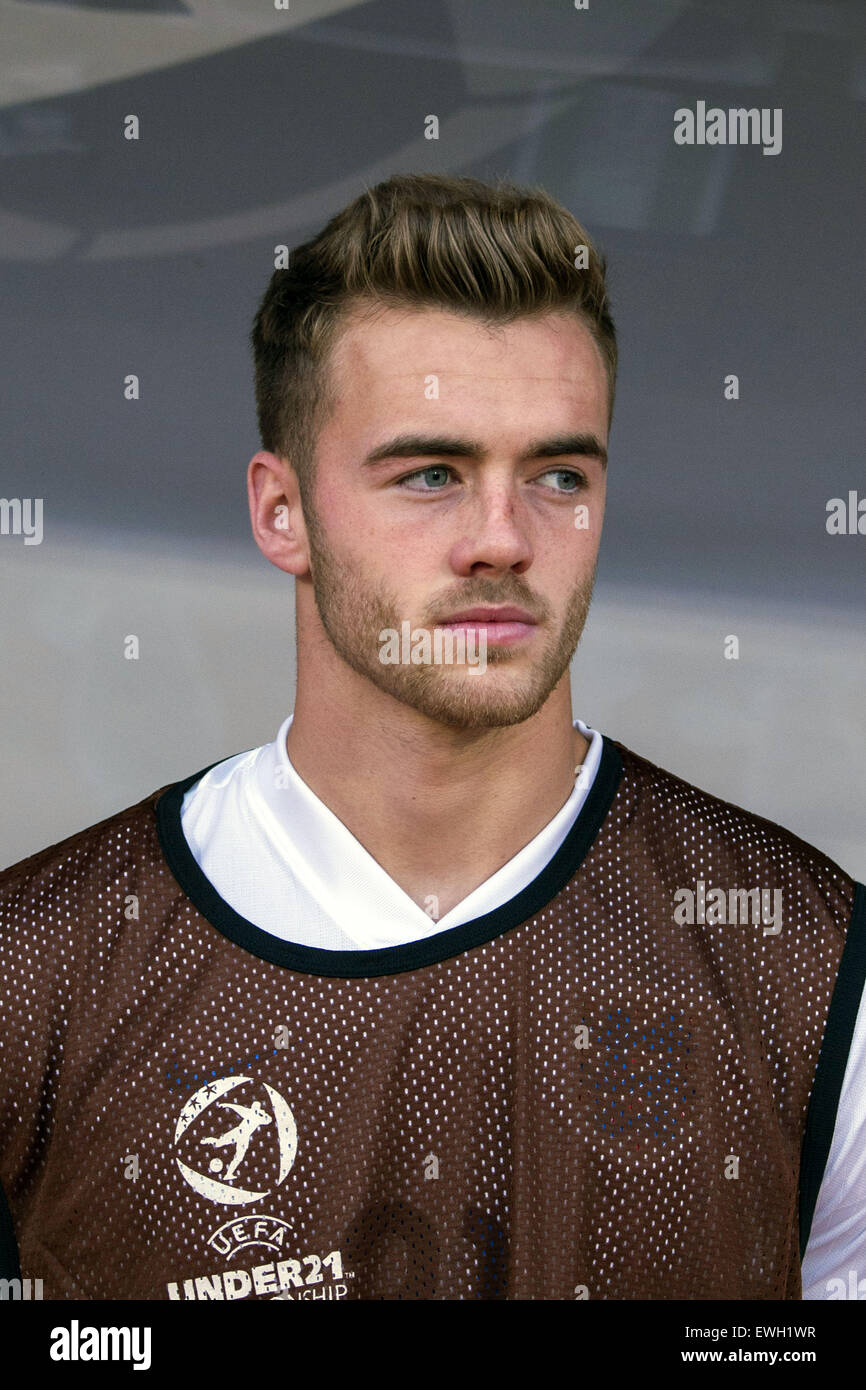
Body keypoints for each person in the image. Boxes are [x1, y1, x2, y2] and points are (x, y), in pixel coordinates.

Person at [1, 173, 863, 1302]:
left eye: (558, 474)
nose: (501, 538)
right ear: (282, 510)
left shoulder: (802, 959)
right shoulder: (35, 970)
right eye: (431, 474)